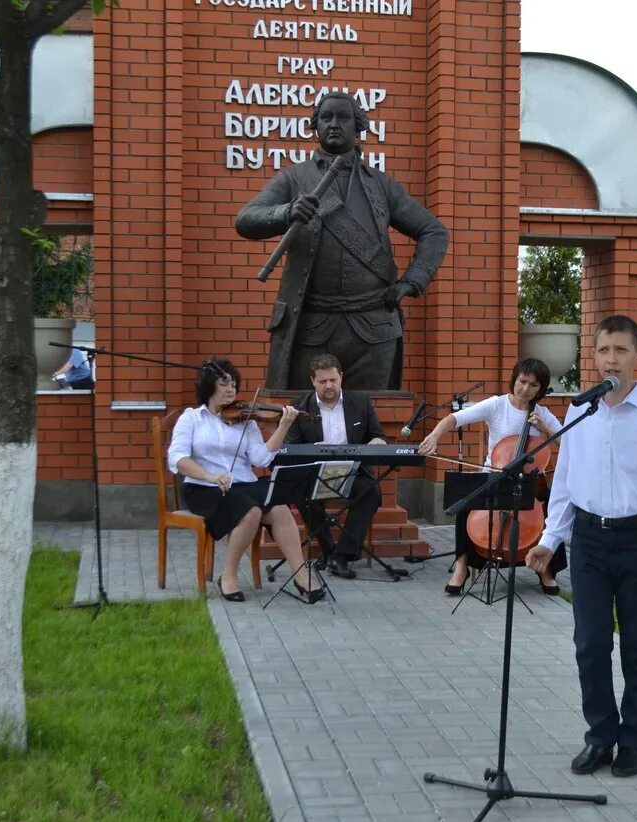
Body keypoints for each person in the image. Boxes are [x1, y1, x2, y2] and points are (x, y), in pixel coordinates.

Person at [526, 315, 637, 779]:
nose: (611, 358)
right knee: (590, 644)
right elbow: (566, 484)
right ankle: (600, 736)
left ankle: (632, 740)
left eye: (620, 350)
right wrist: (550, 539)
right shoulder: (580, 412)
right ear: (592, 357)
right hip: (591, 543)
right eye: (602, 351)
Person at [235, 91, 448, 391]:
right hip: (310, 329)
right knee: (302, 422)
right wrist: (286, 211)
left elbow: (434, 231)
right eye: (326, 117)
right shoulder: (295, 179)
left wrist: (412, 281)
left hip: (374, 330)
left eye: (343, 117)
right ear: (316, 126)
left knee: (373, 425)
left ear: (358, 126)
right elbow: (246, 219)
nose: (334, 124)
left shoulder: (381, 185)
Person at [167, 359, 325, 604]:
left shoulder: (245, 419)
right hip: (204, 487)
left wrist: (282, 427)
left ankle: (301, 575)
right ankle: (228, 576)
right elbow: (177, 458)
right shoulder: (191, 419)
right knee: (250, 511)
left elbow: (261, 459)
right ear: (210, 386)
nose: (232, 390)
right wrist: (211, 476)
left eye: (234, 385)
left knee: (280, 508)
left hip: (243, 485)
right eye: (225, 384)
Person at [416, 357, 566, 596]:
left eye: (533, 385)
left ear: (540, 389)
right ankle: (462, 565)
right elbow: (454, 419)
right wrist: (434, 436)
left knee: (551, 501)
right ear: (514, 379)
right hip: (494, 475)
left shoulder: (542, 413)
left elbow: (566, 442)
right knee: (465, 500)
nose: (525, 389)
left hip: (527, 481)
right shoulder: (497, 405)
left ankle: (545, 568)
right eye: (522, 381)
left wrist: (546, 429)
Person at [284, 353, 386, 579]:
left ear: (341, 377)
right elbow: (292, 446)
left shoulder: (360, 402)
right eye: (322, 382)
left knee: (371, 492)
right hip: (315, 471)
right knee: (301, 493)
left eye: (333, 380)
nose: (329, 386)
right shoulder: (299, 406)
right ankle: (328, 549)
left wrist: (377, 442)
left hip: (353, 470)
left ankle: (343, 555)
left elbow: (377, 434)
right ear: (312, 381)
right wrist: (313, 448)